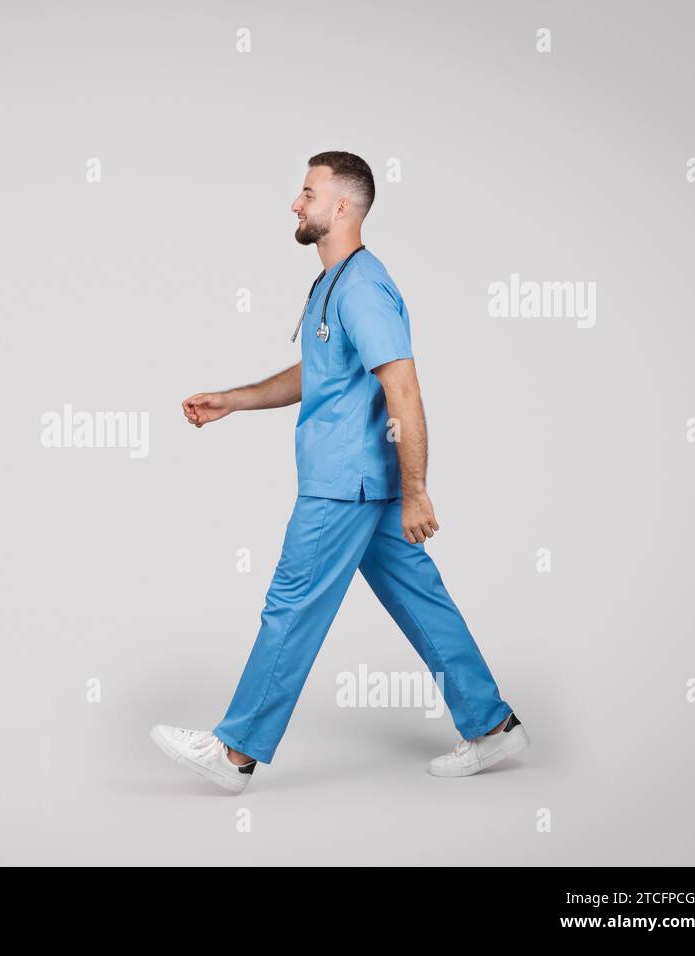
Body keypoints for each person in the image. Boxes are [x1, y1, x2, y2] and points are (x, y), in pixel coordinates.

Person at [150, 151, 529, 793]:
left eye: (306, 193)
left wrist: (415, 491)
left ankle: (235, 752)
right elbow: (321, 374)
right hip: (362, 483)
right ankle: (493, 726)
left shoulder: (362, 286)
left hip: (346, 484)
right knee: (422, 601)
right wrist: (233, 400)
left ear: (343, 207)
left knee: (291, 607)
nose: (295, 204)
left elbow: (402, 386)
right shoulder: (333, 282)